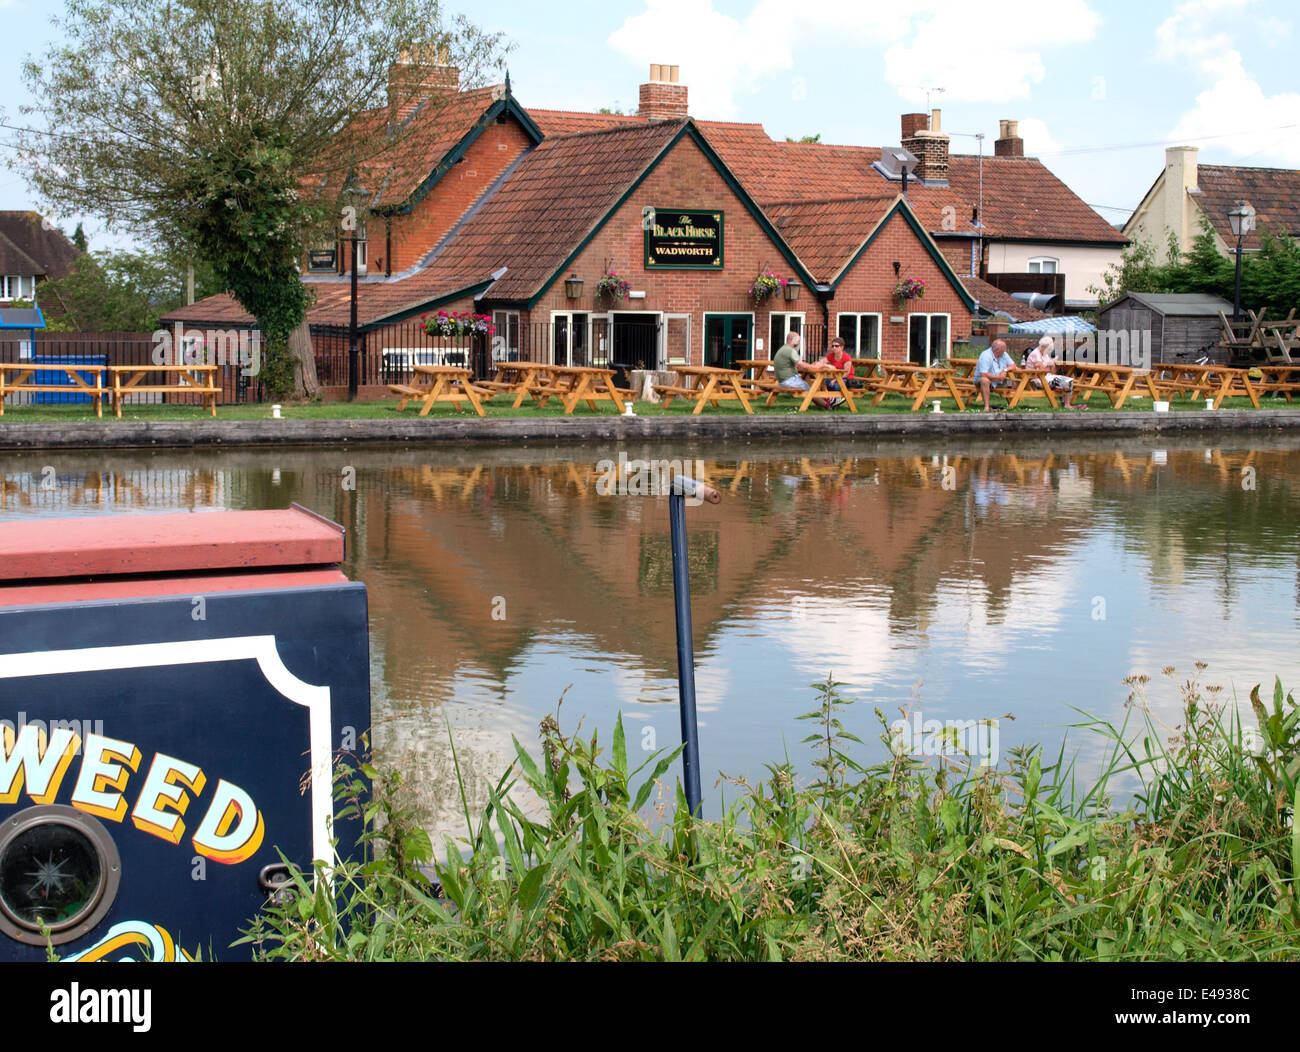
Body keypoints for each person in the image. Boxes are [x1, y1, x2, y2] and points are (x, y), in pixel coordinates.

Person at [772, 330, 837, 409]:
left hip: (782, 380)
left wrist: (810, 365)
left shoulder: (783, 349)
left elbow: (799, 365)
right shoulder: (790, 351)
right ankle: (829, 404)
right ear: (792, 340)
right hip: (789, 381)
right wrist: (815, 367)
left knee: (809, 386)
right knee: (810, 389)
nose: (799, 343)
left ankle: (829, 401)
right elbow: (802, 365)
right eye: (798, 340)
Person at [1025, 335, 1085, 409]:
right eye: (1048, 349)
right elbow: (1041, 370)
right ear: (1043, 346)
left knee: (1069, 380)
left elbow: (1051, 371)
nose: (1049, 351)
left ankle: (1066, 403)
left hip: (1046, 377)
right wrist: (1049, 366)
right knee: (1065, 382)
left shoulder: (1044, 354)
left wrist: (1052, 364)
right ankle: (1066, 404)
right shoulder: (1036, 354)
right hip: (1037, 379)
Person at [971, 338, 1016, 411]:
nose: (1005, 350)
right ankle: (986, 406)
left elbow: (1013, 365)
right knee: (984, 381)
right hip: (983, 380)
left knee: (1014, 383)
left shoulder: (1004, 354)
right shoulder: (986, 356)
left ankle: (1013, 405)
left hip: (999, 381)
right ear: (998, 349)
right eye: (1004, 348)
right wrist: (998, 377)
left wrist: (1005, 370)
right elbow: (983, 374)